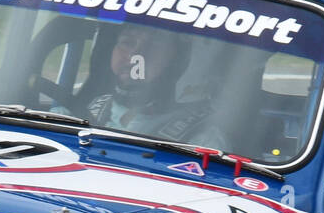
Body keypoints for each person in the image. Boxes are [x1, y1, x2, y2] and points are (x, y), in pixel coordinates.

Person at [86, 23, 231, 151]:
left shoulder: (202, 140)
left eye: (152, 46)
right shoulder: (89, 108)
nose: (135, 55)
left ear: (178, 60)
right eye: (127, 42)